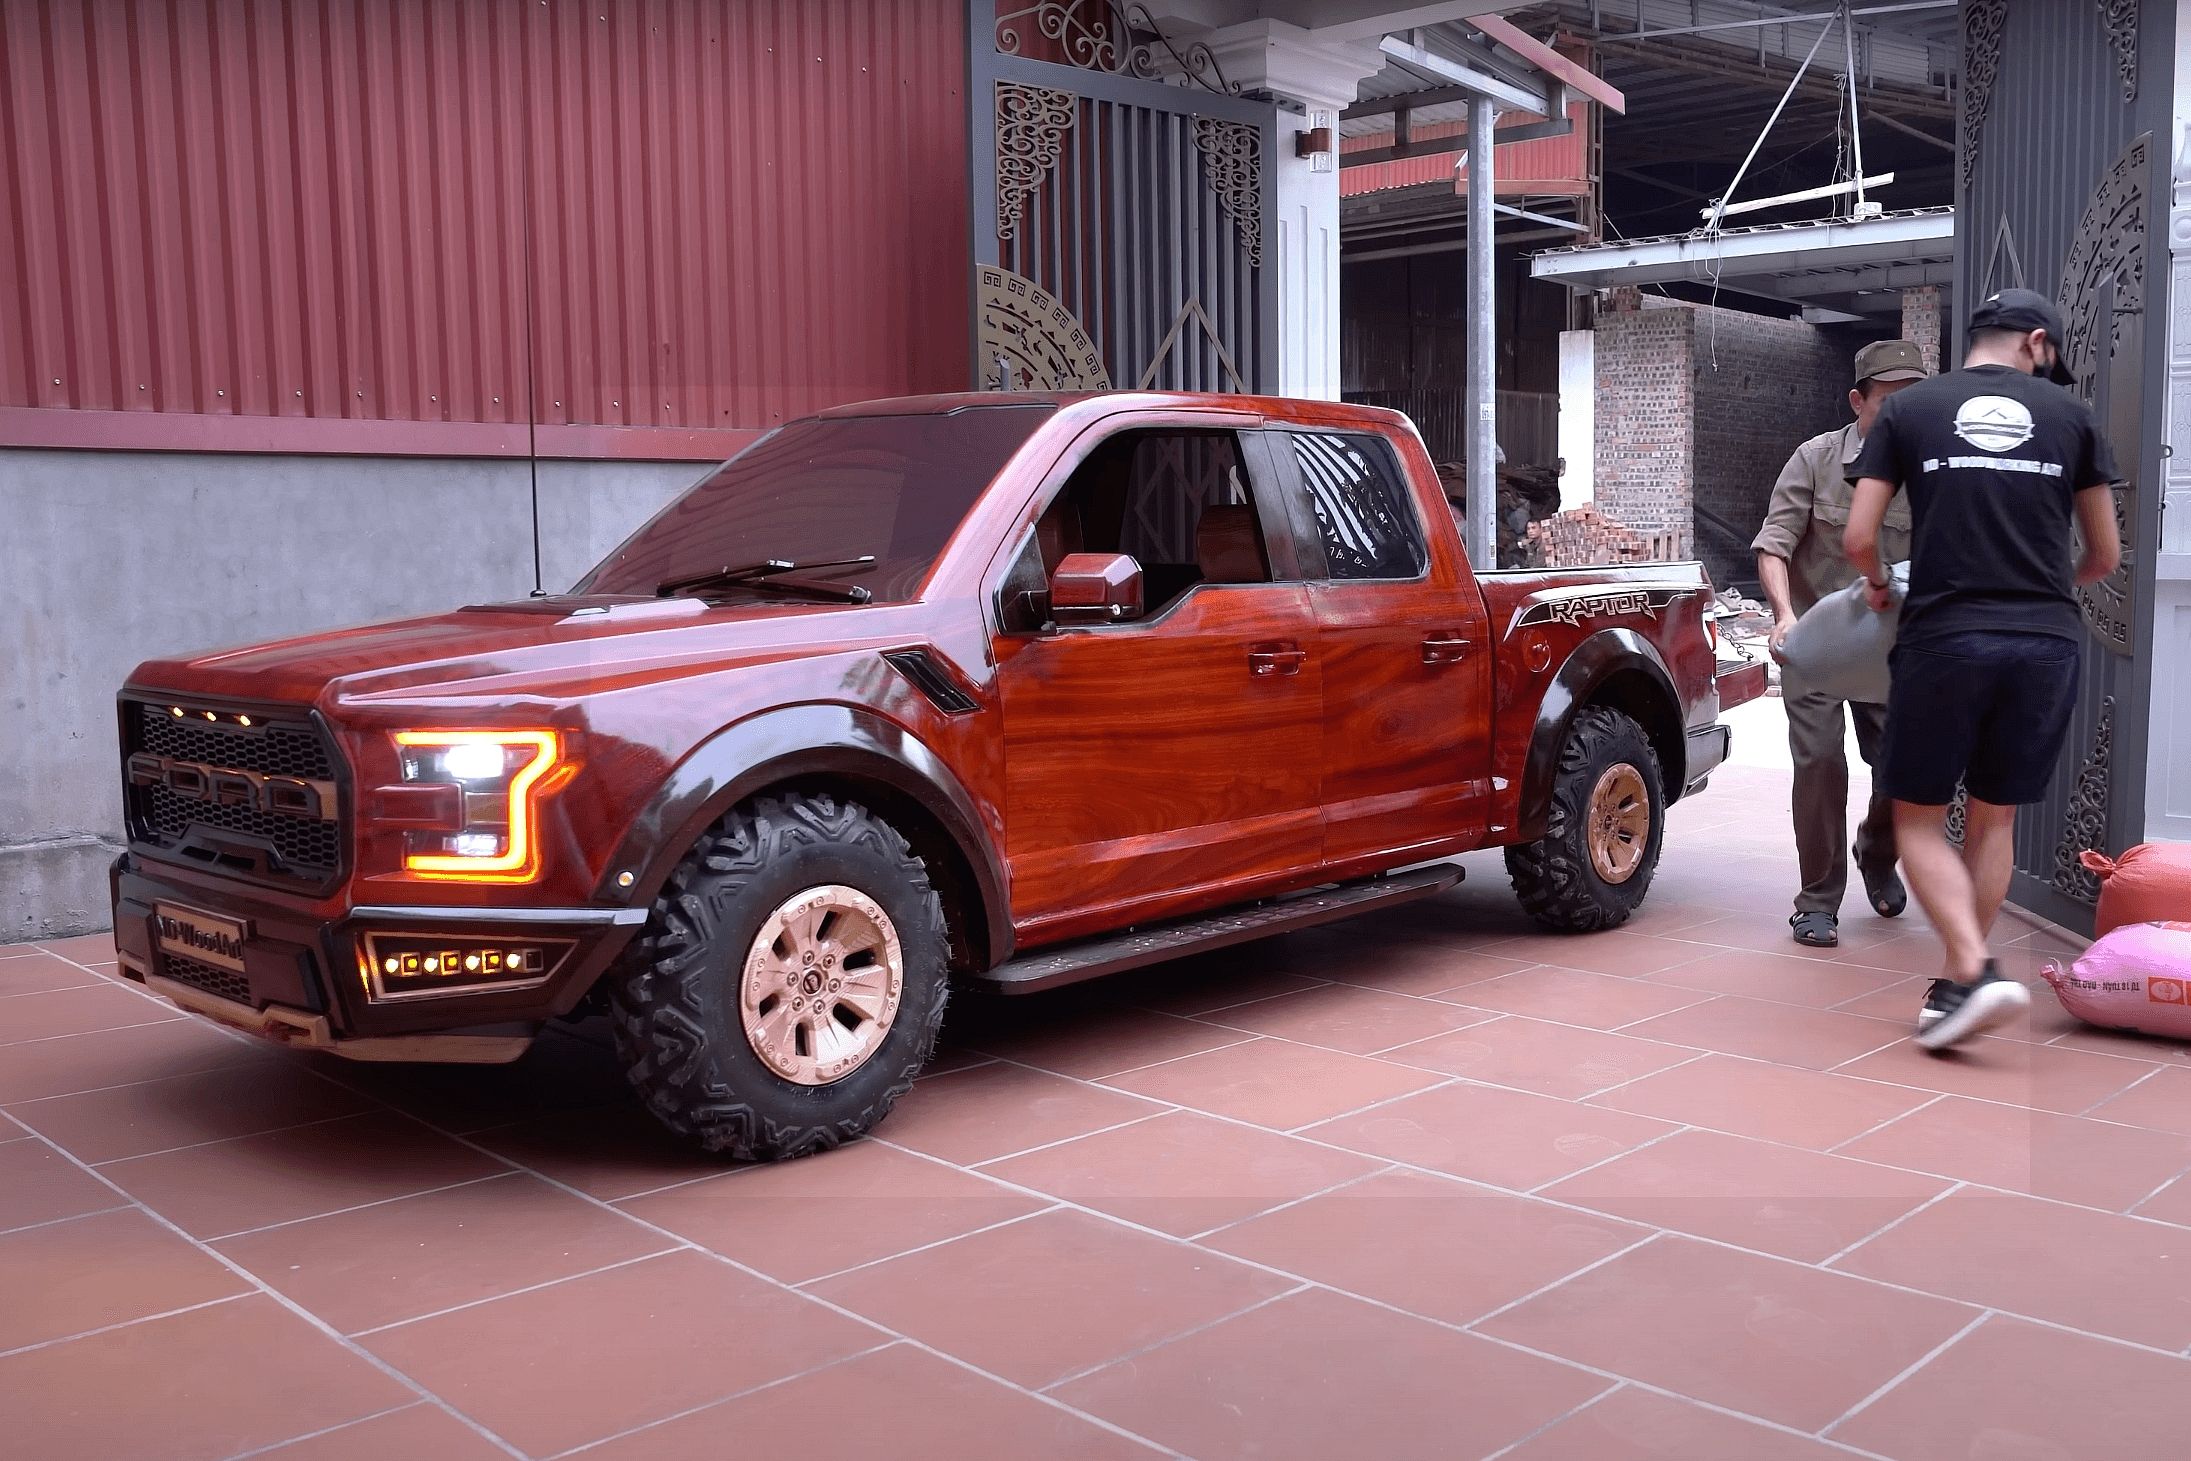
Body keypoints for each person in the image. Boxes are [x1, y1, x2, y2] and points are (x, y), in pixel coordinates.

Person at [1844, 289, 2123, 1051]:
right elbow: (2104, 557)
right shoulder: (2072, 419)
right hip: (2044, 642)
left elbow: (1858, 534)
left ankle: (1973, 964)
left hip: (1945, 637)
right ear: (2036, 341)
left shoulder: (1907, 411)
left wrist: (1874, 580)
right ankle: (1954, 985)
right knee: (1994, 816)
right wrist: (2040, 587)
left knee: (1917, 818)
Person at [1753, 340, 1927, 950]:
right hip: (1819, 647)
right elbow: (1774, 544)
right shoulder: (1816, 459)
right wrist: (1783, 617)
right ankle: (1818, 899)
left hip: (1892, 652)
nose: (1904, 415)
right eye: (1889, 402)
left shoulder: (1932, 472)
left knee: (1905, 771)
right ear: (1858, 401)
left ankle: (1877, 854)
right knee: (1821, 766)